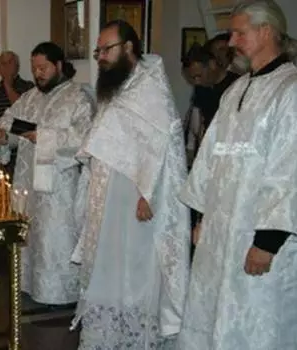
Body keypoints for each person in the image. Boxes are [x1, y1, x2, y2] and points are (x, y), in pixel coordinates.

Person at [179, 1, 297, 349]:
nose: (231, 42)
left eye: (239, 32)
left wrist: (267, 242)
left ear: (266, 32)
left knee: (261, 323)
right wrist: (203, 215)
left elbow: (295, 171)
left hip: (261, 238)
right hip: (223, 235)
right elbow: (212, 158)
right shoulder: (237, 89)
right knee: (219, 317)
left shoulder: (295, 93)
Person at [70, 20, 190, 349]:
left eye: (106, 49)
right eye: (98, 51)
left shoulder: (150, 88)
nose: (100, 57)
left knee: (135, 268)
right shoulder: (117, 86)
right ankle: (107, 337)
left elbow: (161, 144)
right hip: (109, 193)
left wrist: (147, 192)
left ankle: (136, 338)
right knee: (108, 264)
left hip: (136, 198)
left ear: (128, 47)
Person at [0, 42, 94, 305]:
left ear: (58, 66)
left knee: (53, 236)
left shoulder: (78, 98)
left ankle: (60, 292)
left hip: (59, 185)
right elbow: (7, 121)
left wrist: (43, 136)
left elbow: (84, 138)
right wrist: (2, 136)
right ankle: (28, 285)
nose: (38, 73)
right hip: (28, 180)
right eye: (34, 68)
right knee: (29, 233)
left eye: (43, 67)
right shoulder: (29, 98)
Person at [0, 51, 35, 179]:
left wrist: (7, 84)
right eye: (2, 64)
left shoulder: (29, 88)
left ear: (17, 66)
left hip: (17, 156)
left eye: (9, 62)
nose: (6, 66)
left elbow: (23, 111)